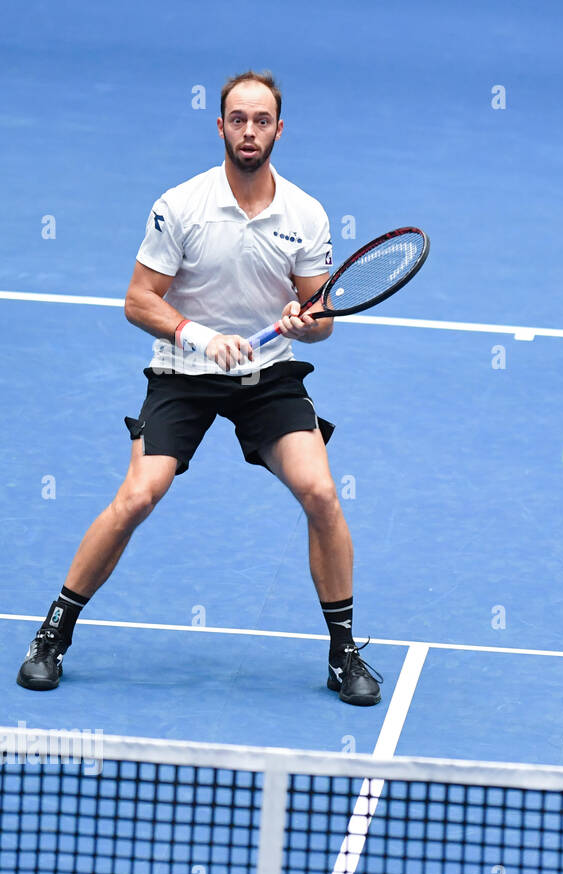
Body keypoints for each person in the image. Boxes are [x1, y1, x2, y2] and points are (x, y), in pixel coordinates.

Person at [16, 70, 382, 707]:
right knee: (138, 495)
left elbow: (319, 321)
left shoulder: (307, 213)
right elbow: (138, 301)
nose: (249, 131)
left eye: (260, 120)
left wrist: (309, 322)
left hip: (266, 376)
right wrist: (198, 336)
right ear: (220, 126)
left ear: (278, 129)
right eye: (237, 119)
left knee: (321, 490)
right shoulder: (179, 205)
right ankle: (54, 631)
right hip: (185, 374)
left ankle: (343, 650)